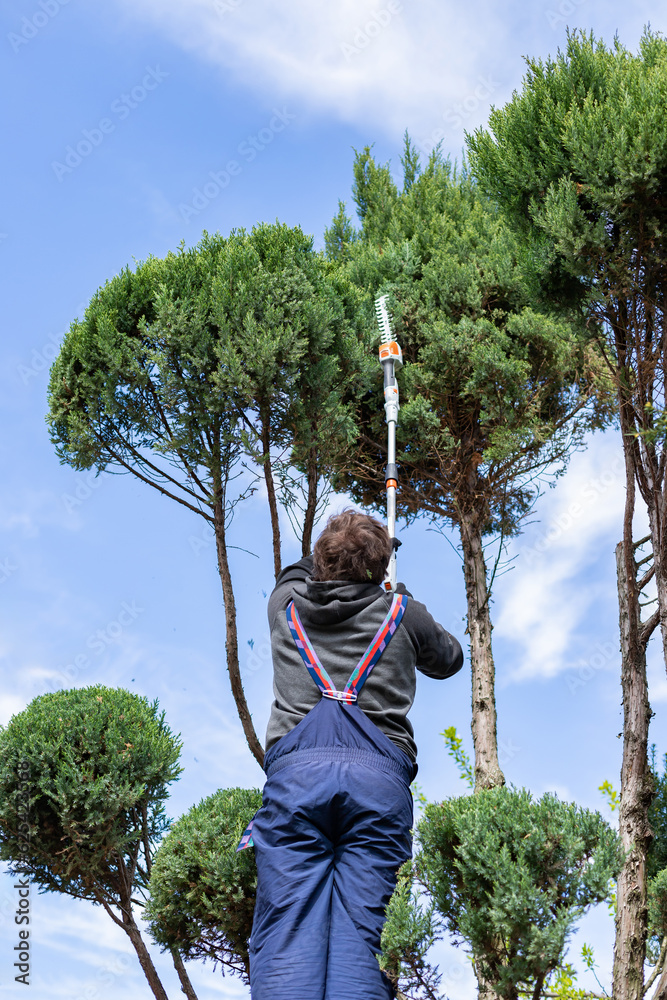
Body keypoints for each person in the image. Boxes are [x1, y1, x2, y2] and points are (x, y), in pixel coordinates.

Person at [247, 510, 464, 1000]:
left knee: (286, 927)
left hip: (296, 782)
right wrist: (398, 591)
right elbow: (449, 659)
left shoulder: (285, 606)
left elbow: (295, 572)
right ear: (379, 567)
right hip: (377, 786)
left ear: (320, 559)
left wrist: (357, 557)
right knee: (367, 932)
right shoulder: (403, 613)